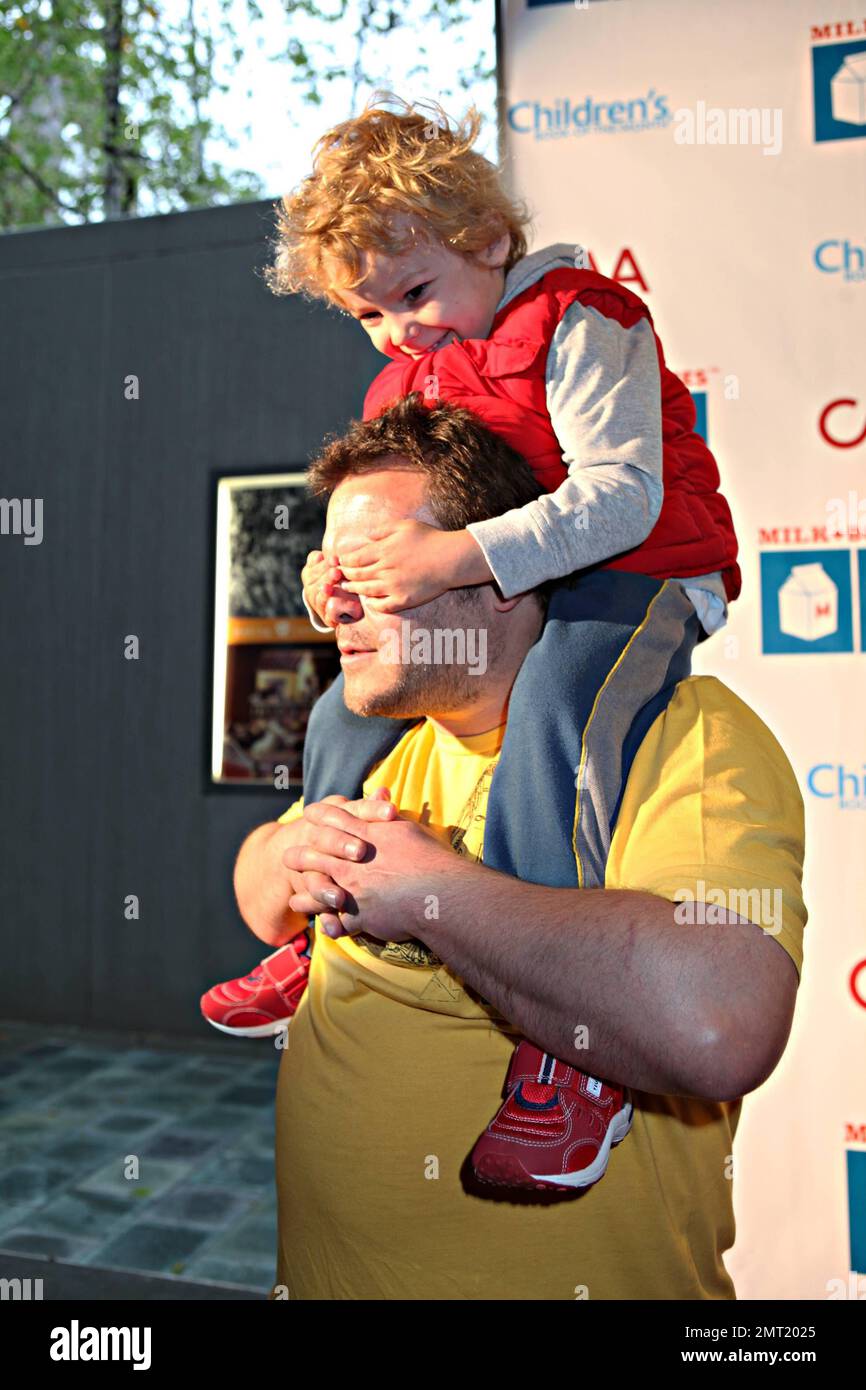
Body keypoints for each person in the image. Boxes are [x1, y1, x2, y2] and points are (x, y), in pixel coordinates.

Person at [202, 92, 742, 1192]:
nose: (399, 331)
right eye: (366, 314)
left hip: (645, 569)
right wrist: (336, 576)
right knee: (340, 709)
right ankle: (318, 938)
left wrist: (454, 563)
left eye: (413, 292)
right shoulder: (405, 377)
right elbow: (395, 516)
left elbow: (623, 498)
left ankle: (568, 1050)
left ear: (489, 240)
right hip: (533, 574)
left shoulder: (582, 317)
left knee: (552, 709)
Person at [233, 396, 805, 1301]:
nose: (330, 598)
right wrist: (284, 855)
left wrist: (431, 892)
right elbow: (260, 892)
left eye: (370, 568)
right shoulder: (386, 739)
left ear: (499, 567)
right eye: (326, 567)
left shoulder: (682, 739)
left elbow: (718, 1022)